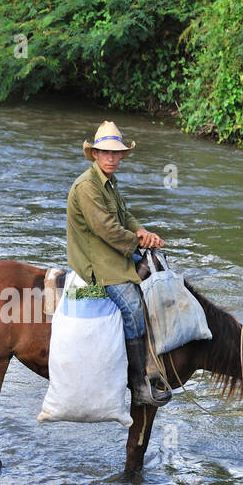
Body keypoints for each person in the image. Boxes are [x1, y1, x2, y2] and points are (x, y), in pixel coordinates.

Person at [66, 120, 172, 407]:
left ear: (121, 156)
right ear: (95, 155)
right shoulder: (87, 187)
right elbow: (107, 230)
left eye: (116, 153)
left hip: (113, 253)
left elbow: (125, 218)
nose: (112, 158)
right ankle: (138, 385)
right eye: (106, 153)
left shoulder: (109, 184)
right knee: (133, 306)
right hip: (96, 263)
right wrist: (138, 243)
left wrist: (143, 232)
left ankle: (152, 365)